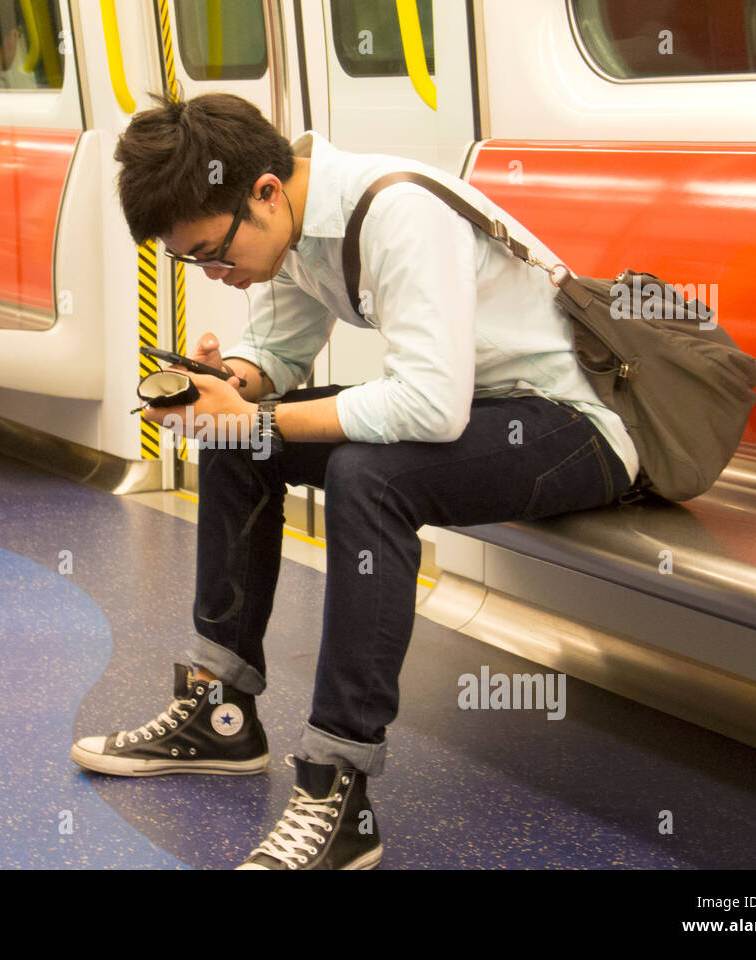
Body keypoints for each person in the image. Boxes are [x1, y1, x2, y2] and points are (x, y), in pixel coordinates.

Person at [71, 94, 640, 870]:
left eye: (214, 252)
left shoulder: (399, 213)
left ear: (265, 191)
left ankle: (337, 790)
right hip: (488, 412)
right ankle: (220, 713)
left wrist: (258, 419)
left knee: (367, 477)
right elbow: (276, 350)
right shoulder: (295, 228)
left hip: (577, 426)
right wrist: (224, 383)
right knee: (238, 448)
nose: (215, 274)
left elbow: (432, 409)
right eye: (191, 261)